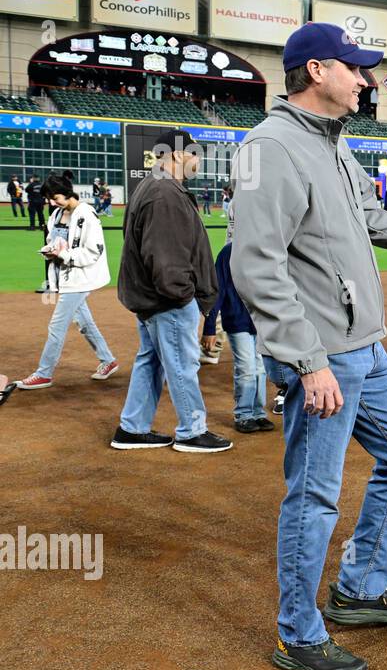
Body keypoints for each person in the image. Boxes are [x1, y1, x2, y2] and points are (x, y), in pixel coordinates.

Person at [230, 21, 387, 670]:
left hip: (367, 351)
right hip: (324, 353)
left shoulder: (338, 144)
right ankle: (297, 634)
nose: (366, 79)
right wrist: (306, 359)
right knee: (315, 494)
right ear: (318, 71)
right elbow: (257, 264)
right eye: (355, 68)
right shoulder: (272, 147)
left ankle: (357, 588)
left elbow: (372, 223)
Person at [110, 130, 230, 454]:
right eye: (195, 155)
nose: (198, 162)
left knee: (150, 361)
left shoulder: (155, 186)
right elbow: (164, 256)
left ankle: (132, 428)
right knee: (181, 364)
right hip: (167, 300)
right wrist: (182, 295)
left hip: (152, 299)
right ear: (177, 154)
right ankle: (192, 431)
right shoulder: (164, 192)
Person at [15, 175, 118, 391]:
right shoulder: (57, 214)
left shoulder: (87, 214)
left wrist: (65, 255)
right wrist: (50, 252)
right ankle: (108, 360)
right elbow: (53, 242)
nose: (53, 203)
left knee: (56, 325)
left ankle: (44, 374)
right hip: (65, 276)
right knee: (84, 321)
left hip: (80, 277)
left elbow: (94, 252)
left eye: (56, 198)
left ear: (68, 192)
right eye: (50, 199)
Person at [202, 241, 272, 434]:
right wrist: (209, 328)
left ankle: (258, 413)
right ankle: (243, 415)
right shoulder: (228, 253)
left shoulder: (263, 249)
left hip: (260, 322)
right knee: (246, 368)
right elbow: (218, 291)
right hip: (237, 320)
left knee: (260, 368)